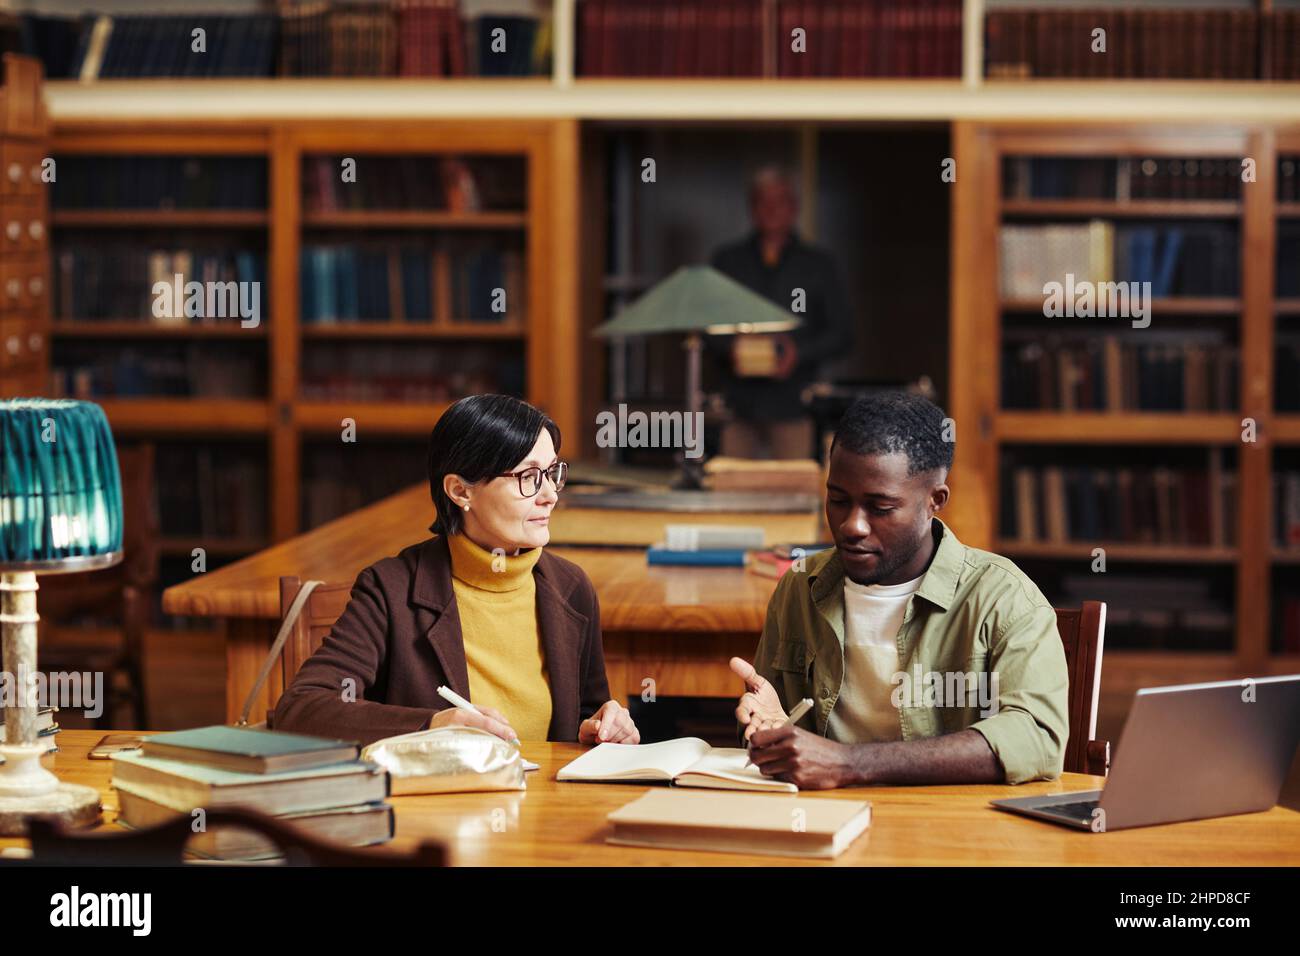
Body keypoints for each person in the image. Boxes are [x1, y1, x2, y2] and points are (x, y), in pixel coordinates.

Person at [732, 391, 1069, 789]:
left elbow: (1038, 739)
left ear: (934, 501)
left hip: (950, 833)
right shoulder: (798, 587)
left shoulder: (1003, 598)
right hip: (823, 824)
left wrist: (848, 763)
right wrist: (767, 734)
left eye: (880, 508)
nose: (851, 525)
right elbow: (781, 742)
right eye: (838, 500)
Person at [272, 394, 640, 748]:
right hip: (441, 806)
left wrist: (606, 727)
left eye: (552, 473)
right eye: (529, 477)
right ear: (460, 491)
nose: (550, 495)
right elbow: (302, 708)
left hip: (548, 805)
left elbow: (586, 716)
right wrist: (432, 726)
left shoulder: (570, 587)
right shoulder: (391, 589)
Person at [708, 165, 854, 459]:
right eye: (764, 201)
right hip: (738, 405)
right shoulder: (727, 261)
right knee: (731, 491)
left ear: (794, 207)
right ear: (752, 208)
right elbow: (705, 326)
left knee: (796, 490)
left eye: (781, 201)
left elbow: (843, 334)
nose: (772, 210)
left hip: (794, 405)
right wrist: (732, 349)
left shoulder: (818, 264)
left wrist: (797, 352)